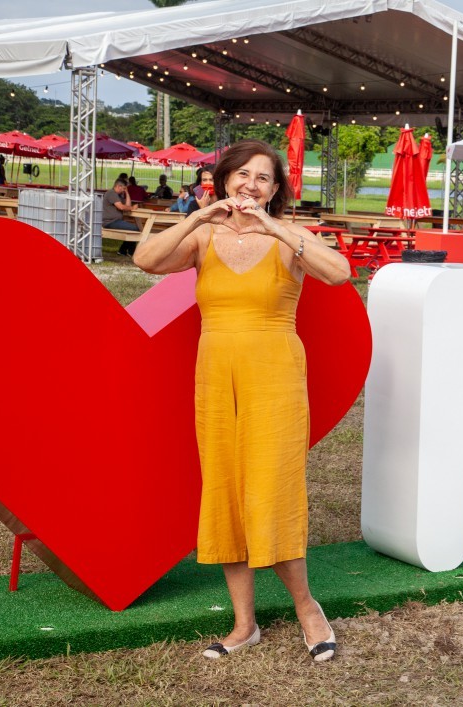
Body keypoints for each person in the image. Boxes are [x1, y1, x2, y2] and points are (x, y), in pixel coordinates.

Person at [133, 139, 351, 662]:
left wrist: (276, 226)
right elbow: (145, 260)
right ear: (225, 179)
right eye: (242, 175)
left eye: (262, 178)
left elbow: (340, 273)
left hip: (275, 375)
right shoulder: (203, 236)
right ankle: (244, 623)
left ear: (275, 190)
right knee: (226, 490)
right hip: (216, 378)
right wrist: (195, 217)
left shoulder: (290, 236)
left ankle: (306, 609)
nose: (250, 185)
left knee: (273, 490)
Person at [102, 179, 140, 256]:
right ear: (119, 186)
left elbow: (127, 205)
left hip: (115, 221)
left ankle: (123, 251)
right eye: (123, 188)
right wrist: (132, 208)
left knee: (134, 228)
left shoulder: (117, 195)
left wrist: (127, 192)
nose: (123, 190)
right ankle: (130, 252)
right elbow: (121, 207)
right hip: (110, 221)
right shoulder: (111, 193)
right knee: (134, 229)